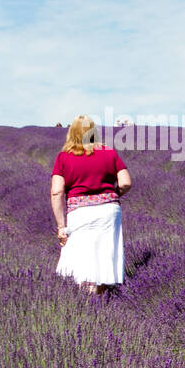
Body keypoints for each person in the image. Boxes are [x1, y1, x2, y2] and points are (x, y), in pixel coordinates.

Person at [50, 115, 131, 294]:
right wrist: (113, 196)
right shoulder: (109, 152)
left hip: (80, 213)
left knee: (80, 255)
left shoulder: (64, 157)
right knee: (104, 253)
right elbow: (125, 182)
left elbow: (56, 192)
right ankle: (99, 298)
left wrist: (61, 226)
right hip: (109, 211)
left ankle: (85, 301)